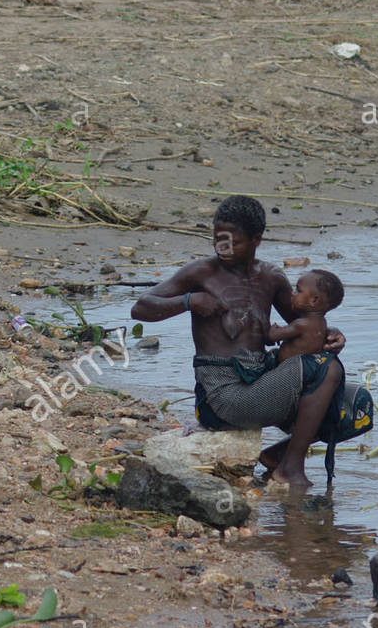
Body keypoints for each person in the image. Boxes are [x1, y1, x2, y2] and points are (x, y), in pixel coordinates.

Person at [131, 195, 344, 488]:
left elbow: (305, 324)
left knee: (350, 404)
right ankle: (290, 470)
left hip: (260, 383)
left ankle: (277, 457)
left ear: (257, 239)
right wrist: (190, 300)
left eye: (234, 242)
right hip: (223, 397)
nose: (223, 248)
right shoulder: (202, 273)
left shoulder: (271, 277)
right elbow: (141, 308)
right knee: (328, 371)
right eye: (218, 240)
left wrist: (331, 335)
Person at [266, 269, 344, 363]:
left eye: (298, 291)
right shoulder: (322, 323)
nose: (292, 293)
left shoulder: (301, 324)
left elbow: (271, 336)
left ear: (314, 300)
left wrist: (274, 328)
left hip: (291, 369)